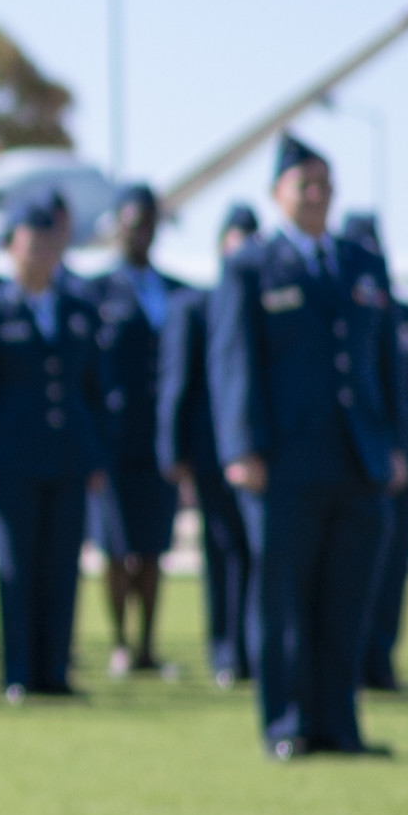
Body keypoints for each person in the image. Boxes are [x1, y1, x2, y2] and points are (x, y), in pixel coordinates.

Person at [206, 133, 408, 760]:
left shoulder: (360, 264)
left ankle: (339, 725)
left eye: (325, 183)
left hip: (356, 459)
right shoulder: (251, 266)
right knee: (284, 599)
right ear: (277, 195)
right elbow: (232, 362)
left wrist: (396, 444)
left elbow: (384, 366)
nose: (317, 195)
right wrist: (241, 446)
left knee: (346, 599)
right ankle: (286, 723)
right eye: (304, 184)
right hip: (284, 463)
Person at [0, 186, 108, 701]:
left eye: (49, 244)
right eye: (30, 244)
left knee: (62, 567)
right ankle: (18, 672)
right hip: (10, 462)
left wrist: (95, 456)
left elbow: (93, 392)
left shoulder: (78, 309)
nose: (41, 254)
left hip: (66, 460)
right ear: (9, 249)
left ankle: (54, 671)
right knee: (16, 569)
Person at [343, 209, 408, 691]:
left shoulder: (407, 316)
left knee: (396, 567)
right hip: (357, 462)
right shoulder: (340, 319)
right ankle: (349, 664)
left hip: (404, 461)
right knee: (353, 570)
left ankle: (381, 661)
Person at [161, 202, 261, 686]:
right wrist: (174, 453)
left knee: (261, 552)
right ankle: (225, 650)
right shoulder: (196, 307)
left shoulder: (271, 301)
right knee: (222, 550)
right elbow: (177, 384)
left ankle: (257, 646)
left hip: (261, 451)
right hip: (211, 452)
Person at [88, 183, 186, 677]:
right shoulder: (97, 292)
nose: (139, 234)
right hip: (113, 440)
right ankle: (120, 641)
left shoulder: (177, 292)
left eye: (147, 224)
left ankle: (148, 644)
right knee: (115, 546)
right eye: (131, 224)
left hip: (160, 440)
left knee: (152, 546)